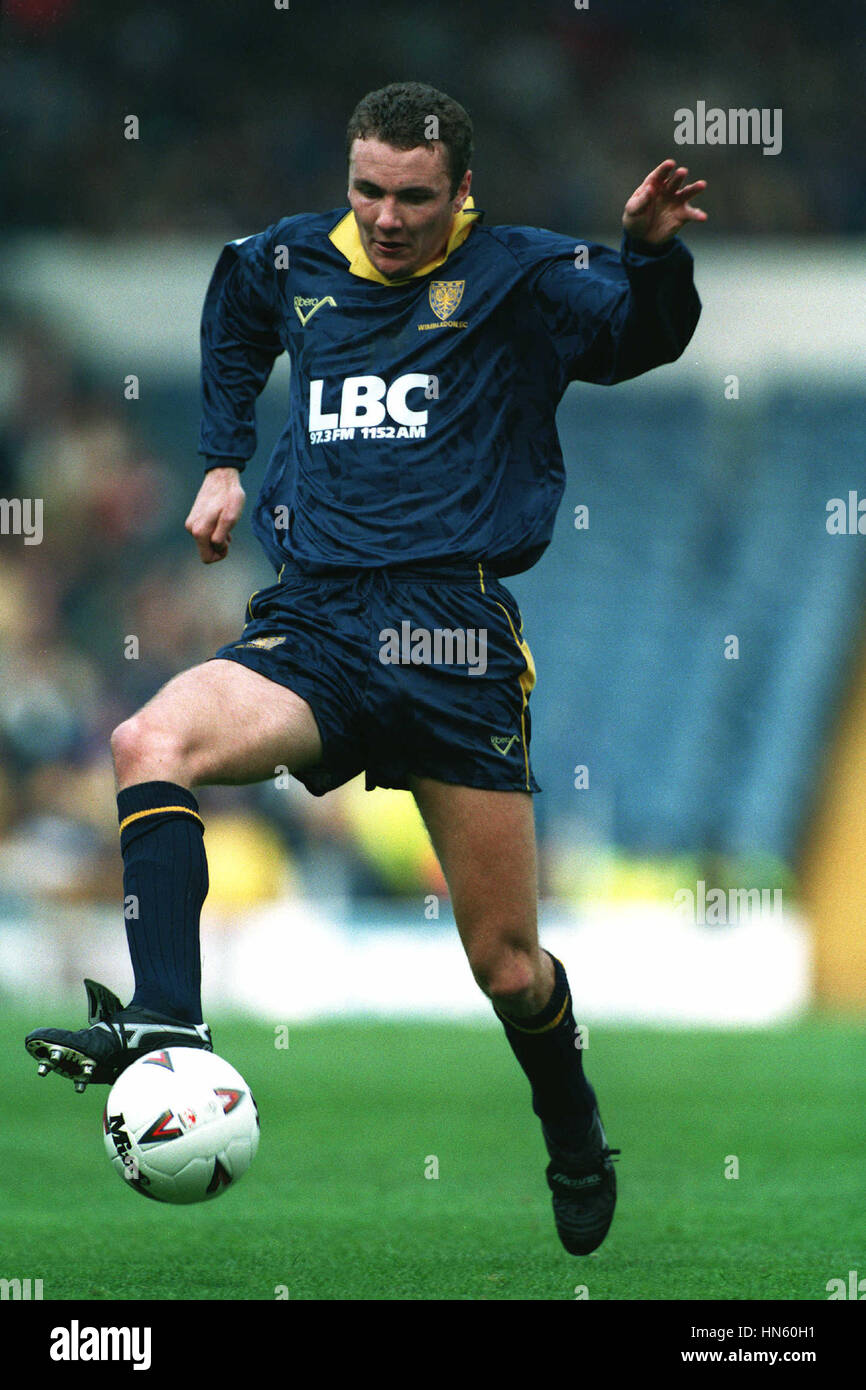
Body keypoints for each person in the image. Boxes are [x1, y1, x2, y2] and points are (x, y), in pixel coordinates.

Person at [26, 81, 706, 1256]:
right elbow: (235, 302)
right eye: (367, 191)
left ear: (459, 191)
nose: (386, 218)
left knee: (505, 965)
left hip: (453, 639)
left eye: (413, 197)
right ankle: (165, 1021)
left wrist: (650, 261)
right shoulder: (292, 259)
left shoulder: (522, 274)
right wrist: (223, 459)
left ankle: (573, 1126)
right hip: (320, 626)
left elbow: (639, 339)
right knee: (150, 742)